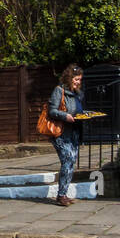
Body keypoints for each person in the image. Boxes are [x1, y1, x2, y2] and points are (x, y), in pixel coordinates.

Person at [48, 64, 85, 207]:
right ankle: (61, 195)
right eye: (76, 79)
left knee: (70, 162)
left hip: (74, 132)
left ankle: (63, 194)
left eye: (80, 79)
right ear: (69, 78)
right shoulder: (59, 91)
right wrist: (66, 116)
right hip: (61, 133)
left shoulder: (78, 94)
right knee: (67, 159)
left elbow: (79, 110)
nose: (78, 82)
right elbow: (52, 111)